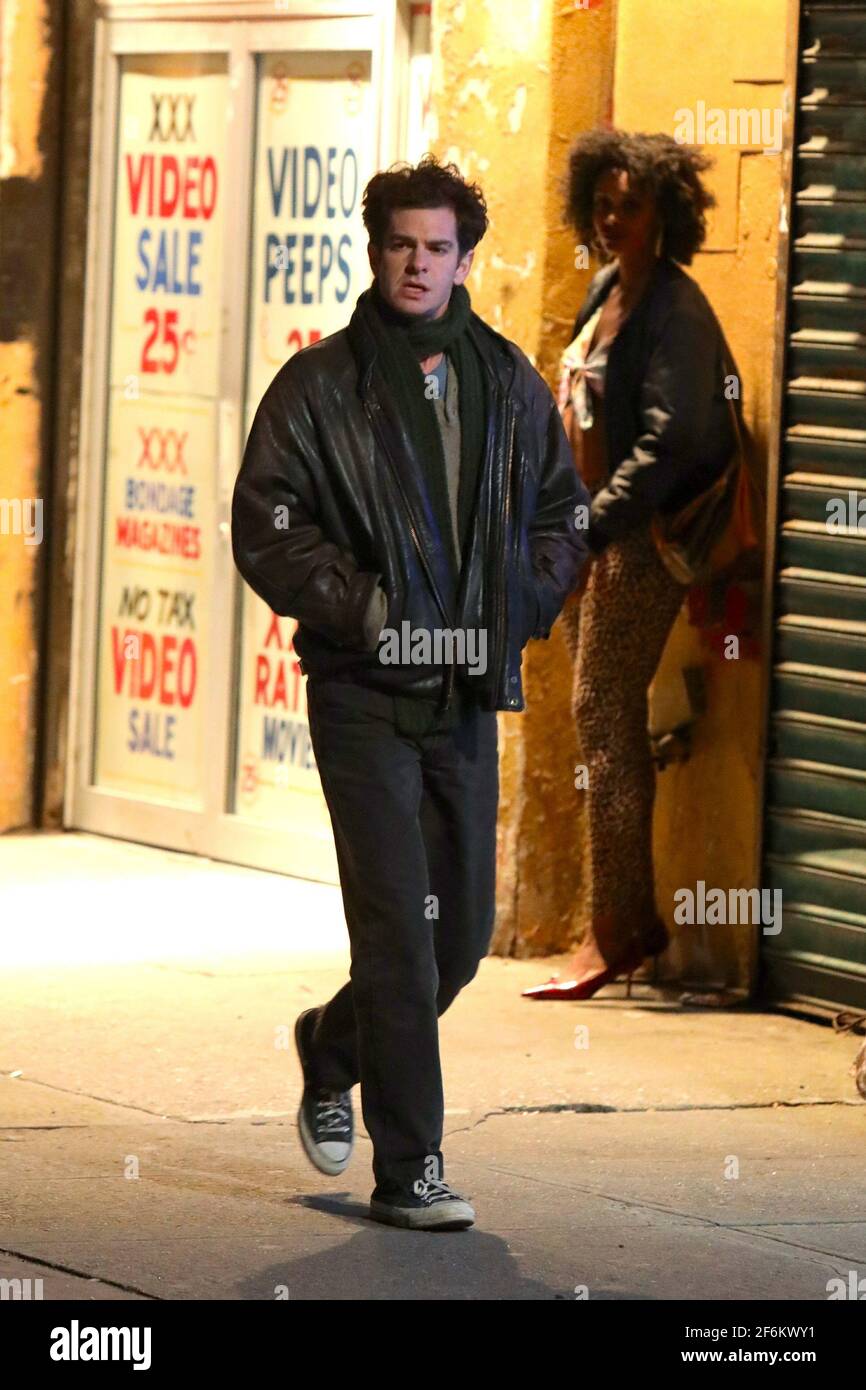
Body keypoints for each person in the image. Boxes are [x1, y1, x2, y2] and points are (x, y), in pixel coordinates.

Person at [232, 155, 589, 1228]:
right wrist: (368, 610)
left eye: (437, 247)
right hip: (361, 695)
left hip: (465, 697)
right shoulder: (317, 386)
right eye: (400, 244)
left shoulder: (509, 383)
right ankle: (411, 1167)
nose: (417, 264)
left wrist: (518, 607)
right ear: (373, 249)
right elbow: (266, 523)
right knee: (396, 930)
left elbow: (564, 518)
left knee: (458, 939)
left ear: (463, 258)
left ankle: (328, 1043)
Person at [523, 129, 740, 1002]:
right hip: (591, 535)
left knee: (602, 716)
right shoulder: (609, 289)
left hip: (639, 544)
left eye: (631, 206)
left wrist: (596, 525)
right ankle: (621, 922)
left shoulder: (676, 312)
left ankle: (617, 931)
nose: (613, 220)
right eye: (603, 205)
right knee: (601, 723)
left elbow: (674, 441)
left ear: (666, 213)